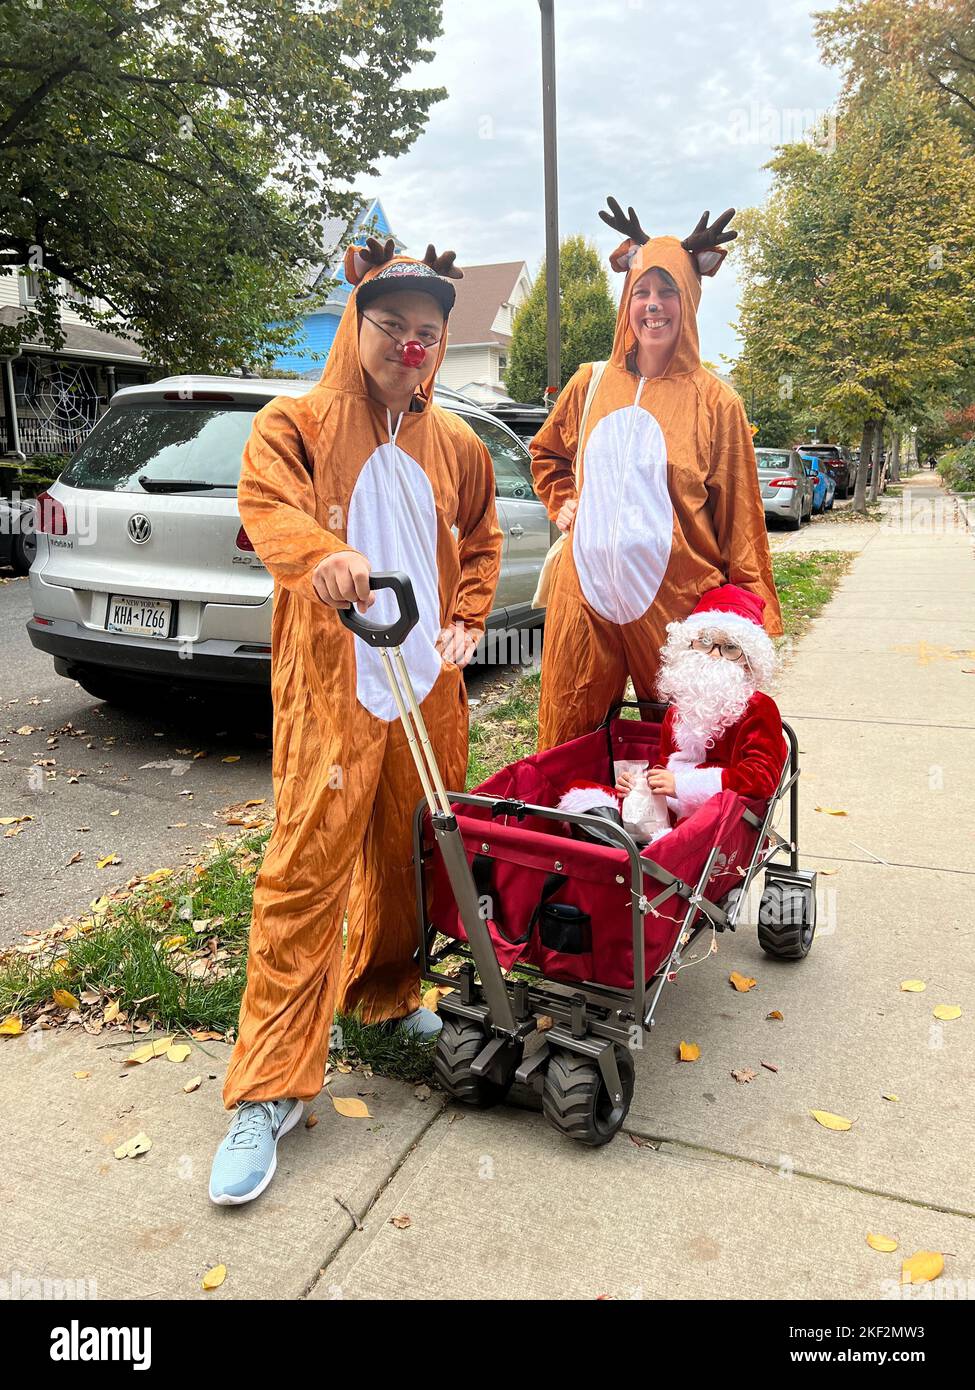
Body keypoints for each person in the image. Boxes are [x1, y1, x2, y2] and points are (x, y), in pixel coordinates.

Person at [208, 239, 503, 1206]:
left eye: (429, 334)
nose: (412, 349)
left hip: (425, 687)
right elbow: (269, 508)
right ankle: (271, 1086)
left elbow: (483, 535)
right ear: (358, 324)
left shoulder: (455, 444)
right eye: (395, 328)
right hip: (335, 691)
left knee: (414, 853)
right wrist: (323, 554)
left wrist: (464, 618)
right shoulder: (293, 423)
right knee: (304, 869)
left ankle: (383, 996)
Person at [530, 197, 782, 751]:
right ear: (628, 300)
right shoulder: (589, 383)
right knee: (568, 735)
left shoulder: (716, 402)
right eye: (642, 291)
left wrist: (747, 610)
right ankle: (572, 834)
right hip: (584, 599)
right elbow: (547, 454)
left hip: (677, 604)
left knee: (683, 746)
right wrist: (562, 499)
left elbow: (741, 516)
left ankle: (674, 841)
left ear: (689, 300)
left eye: (668, 291)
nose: (653, 305)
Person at [615, 584, 784, 825]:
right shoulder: (679, 707)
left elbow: (762, 778)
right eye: (704, 641)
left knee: (666, 839)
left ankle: (626, 848)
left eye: (730, 647)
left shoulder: (758, 707)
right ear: (688, 647)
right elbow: (667, 766)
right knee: (586, 796)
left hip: (721, 820)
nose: (714, 654)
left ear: (749, 661)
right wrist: (642, 781)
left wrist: (682, 785)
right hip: (672, 809)